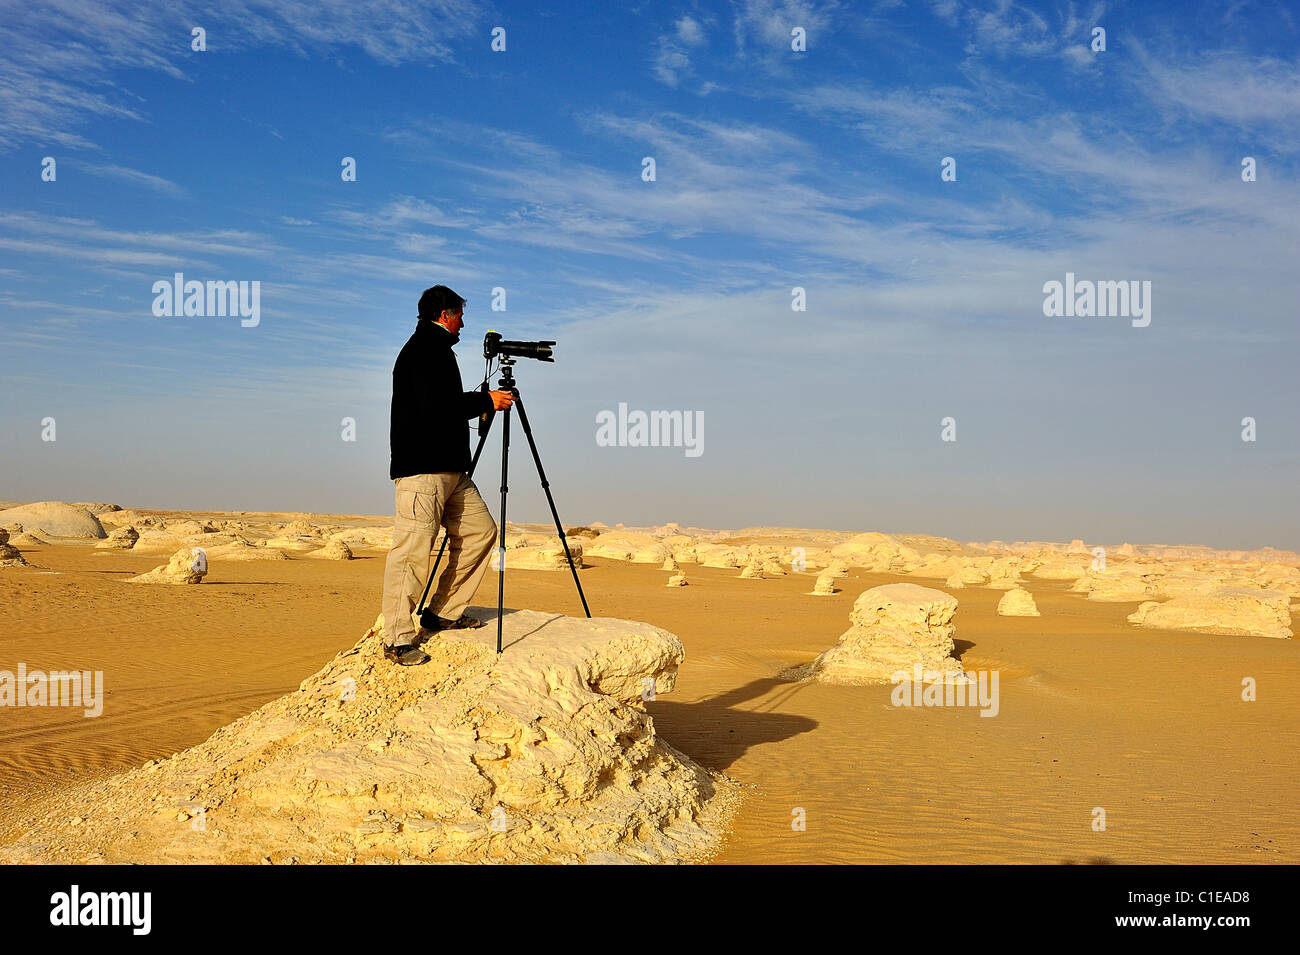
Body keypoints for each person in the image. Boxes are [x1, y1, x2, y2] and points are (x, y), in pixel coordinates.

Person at [380, 285, 515, 666]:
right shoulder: (422, 351)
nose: (463, 323)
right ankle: (397, 638)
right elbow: (436, 408)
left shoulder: (437, 350)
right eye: (458, 315)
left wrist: (482, 403)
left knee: (481, 532)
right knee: (411, 554)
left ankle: (442, 613)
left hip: (451, 470)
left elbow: (444, 405)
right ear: (444, 315)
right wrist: (485, 401)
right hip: (423, 470)